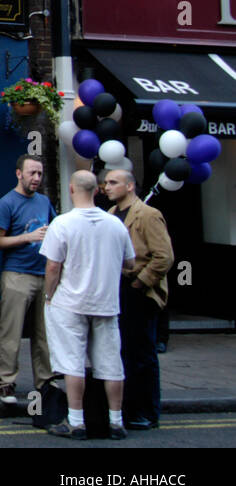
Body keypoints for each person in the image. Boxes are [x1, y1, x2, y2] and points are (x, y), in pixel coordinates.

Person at [40, 170, 137, 440]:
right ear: (97, 190)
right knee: (111, 364)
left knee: (72, 363)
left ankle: (76, 421)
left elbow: (52, 267)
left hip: (70, 302)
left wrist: (49, 296)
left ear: (71, 189)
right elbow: (130, 262)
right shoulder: (116, 224)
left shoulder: (63, 223)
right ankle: (116, 423)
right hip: (106, 303)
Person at [105, 168, 173, 431]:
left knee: (143, 353)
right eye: (106, 182)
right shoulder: (110, 215)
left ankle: (148, 411)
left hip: (142, 291)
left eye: (113, 182)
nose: (107, 187)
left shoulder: (148, 214)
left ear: (130, 186)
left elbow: (164, 257)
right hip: (118, 289)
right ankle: (129, 408)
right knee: (124, 352)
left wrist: (139, 282)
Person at [0, 154, 56, 405]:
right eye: (32, 173)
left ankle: (45, 382)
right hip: (17, 273)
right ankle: (6, 382)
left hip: (44, 273)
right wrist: (27, 237)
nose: (36, 178)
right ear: (19, 174)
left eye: (39, 173)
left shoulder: (44, 201)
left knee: (45, 334)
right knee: (11, 332)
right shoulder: (7, 203)